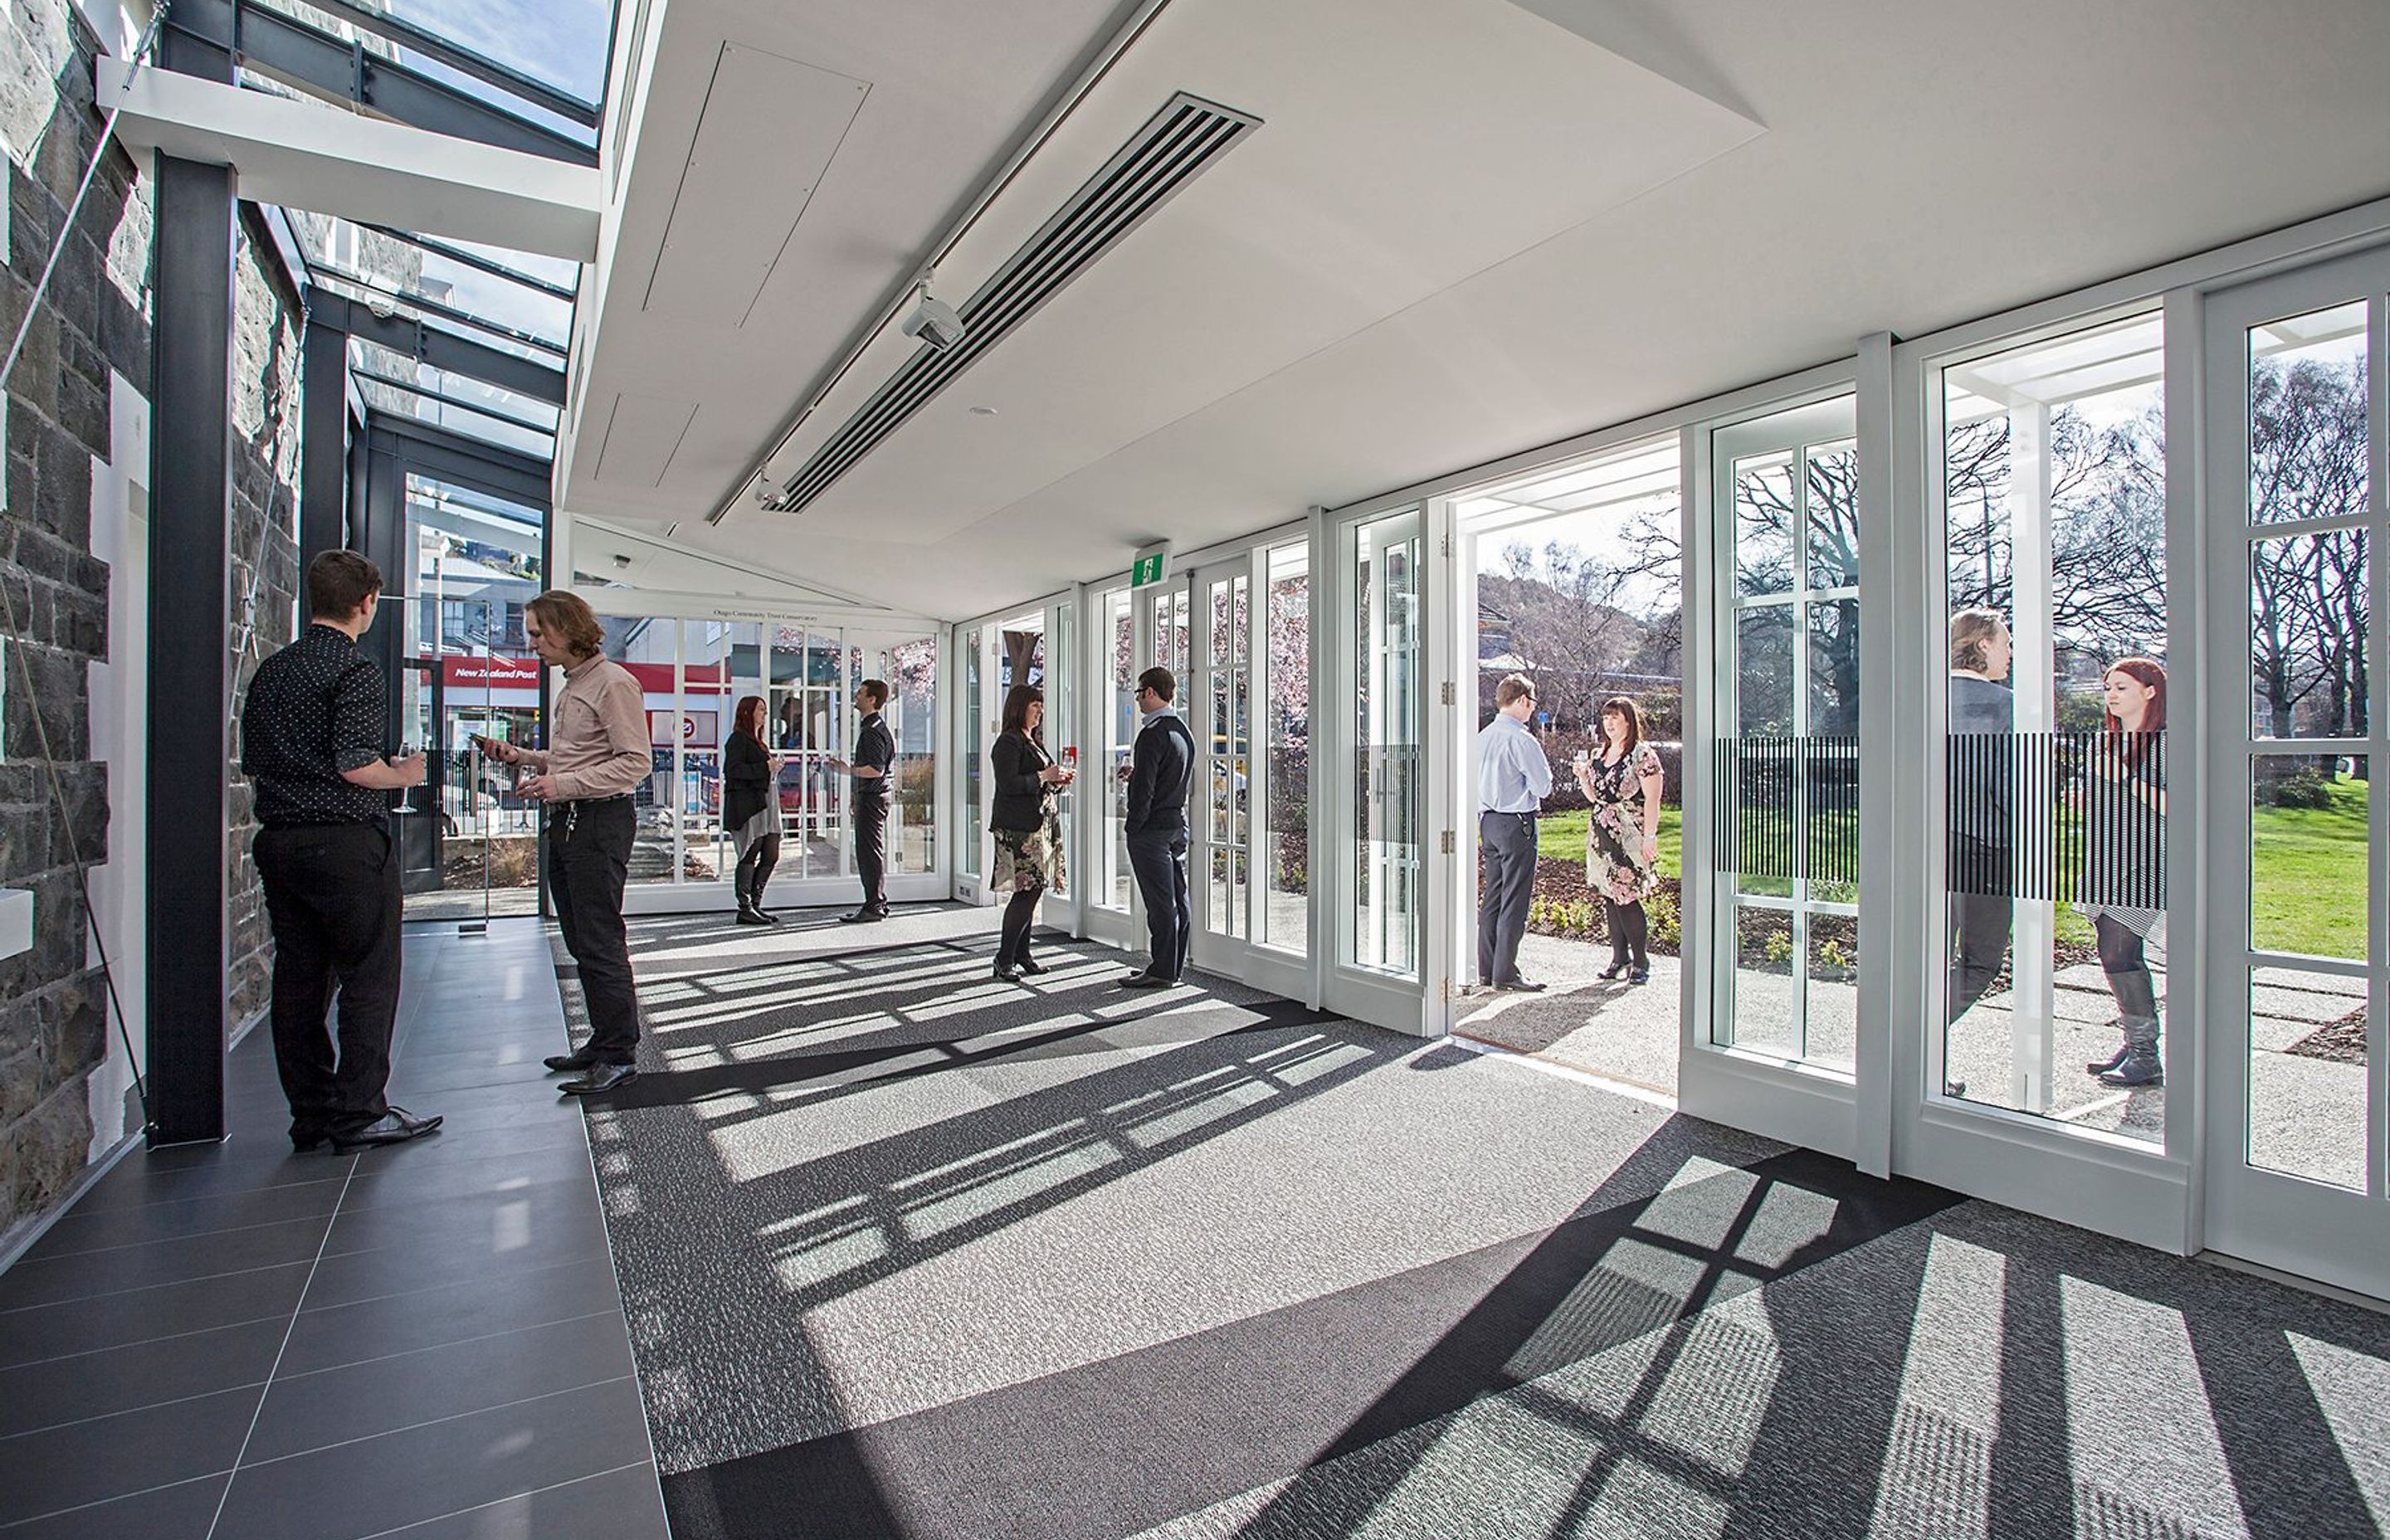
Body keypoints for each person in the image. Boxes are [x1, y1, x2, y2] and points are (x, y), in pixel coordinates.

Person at [240, 550, 441, 1152]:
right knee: (369, 976)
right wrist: (405, 773)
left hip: (280, 842)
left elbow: (256, 759)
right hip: (345, 842)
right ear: (367, 603)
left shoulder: (273, 671)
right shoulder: (353, 670)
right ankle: (360, 1111)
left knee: (300, 979)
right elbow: (357, 767)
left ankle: (313, 1114)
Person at [480, 592, 652, 1094]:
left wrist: (561, 784)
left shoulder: (613, 683)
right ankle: (603, 1042)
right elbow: (575, 756)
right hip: (572, 821)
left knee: (599, 939)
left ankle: (619, 1053)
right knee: (580, 939)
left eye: (537, 632)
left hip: (599, 821)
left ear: (567, 628)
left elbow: (634, 763)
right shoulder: (575, 685)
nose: (531, 642)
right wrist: (525, 759)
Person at [2078, 658, 2168, 1089]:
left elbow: (2180, 806)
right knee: (2117, 954)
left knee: (2119, 953)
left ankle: (2146, 1056)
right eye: (2109, 687)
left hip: (2146, 863)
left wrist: (2126, 778)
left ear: (2150, 691)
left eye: (2123, 688)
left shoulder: (2165, 743)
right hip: (2107, 860)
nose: (2111, 696)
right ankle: (2136, 1045)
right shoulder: (2108, 743)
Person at [1947, 609, 2017, 1026]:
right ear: (1984, 644)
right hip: (1985, 851)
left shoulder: (1922, 697)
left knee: (1924, 958)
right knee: (1980, 960)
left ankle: (1909, 1062)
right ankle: (1919, 1051)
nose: (2010, 655)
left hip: (1923, 847)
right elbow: (2011, 791)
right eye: (2006, 644)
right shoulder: (2004, 706)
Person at [1572, 695, 1665, 985]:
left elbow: (1653, 799)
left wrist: (1650, 836)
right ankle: (1618, 956)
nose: (1609, 723)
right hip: (1601, 834)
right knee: (1609, 897)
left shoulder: (1643, 755)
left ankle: (1641, 959)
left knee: (1626, 896)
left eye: (1615, 718)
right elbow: (1595, 797)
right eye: (1606, 718)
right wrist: (1583, 777)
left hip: (1629, 834)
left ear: (1628, 721)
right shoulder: (1600, 754)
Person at [988, 683, 1074, 981]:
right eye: (1034, 705)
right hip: (1020, 829)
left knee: (1033, 891)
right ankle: (1004, 959)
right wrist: (1044, 775)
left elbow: (1039, 782)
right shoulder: (1007, 743)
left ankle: (1021, 955)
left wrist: (1056, 782)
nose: (1040, 711)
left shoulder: (1032, 741)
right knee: (1026, 892)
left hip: (1040, 825)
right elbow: (1009, 784)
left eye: (1041, 705)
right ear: (1018, 707)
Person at [1476, 673, 1552, 992]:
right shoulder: (1521, 739)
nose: (1533, 710)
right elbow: (1544, 787)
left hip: (1488, 823)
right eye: (1532, 703)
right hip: (1516, 822)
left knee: (1493, 895)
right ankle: (1506, 972)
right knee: (1515, 899)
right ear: (1523, 700)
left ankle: (1488, 968)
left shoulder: (1482, 736)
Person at [1123, 665, 1194, 989]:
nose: (1137, 700)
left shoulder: (1151, 734)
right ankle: (1173, 966)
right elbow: (1169, 778)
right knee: (1178, 898)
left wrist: (1133, 826)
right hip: (1177, 824)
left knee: (1160, 903)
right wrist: (1136, 774)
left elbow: (1146, 791)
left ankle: (1161, 971)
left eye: (1139, 693)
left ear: (1150, 692)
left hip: (1151, 830)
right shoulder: (1182, 731)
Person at [828, 680, 896, 922]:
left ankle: (874, 905)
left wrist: (847, 771)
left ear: (872, 700)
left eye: (860, 693)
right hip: (871, 797)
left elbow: (876, 769)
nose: (855, 696)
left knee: (869, 853)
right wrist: (856, 795)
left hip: (873, 798)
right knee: (871, 851)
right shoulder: (874, 727)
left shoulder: (872, 731)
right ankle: (878, 902)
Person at [724, 694, 783, 925]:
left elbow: (760, 771)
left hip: (767, 802)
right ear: (747, 712)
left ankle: (756, 904)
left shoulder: (759, 742)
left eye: (765, 710)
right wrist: (764, 766)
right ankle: (744, 907)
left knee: (771, 854)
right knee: (750, 852)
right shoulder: (738, 740)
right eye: (760, 710)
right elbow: (734, 771)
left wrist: (772, 768)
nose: (764, 714)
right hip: (750, 805)